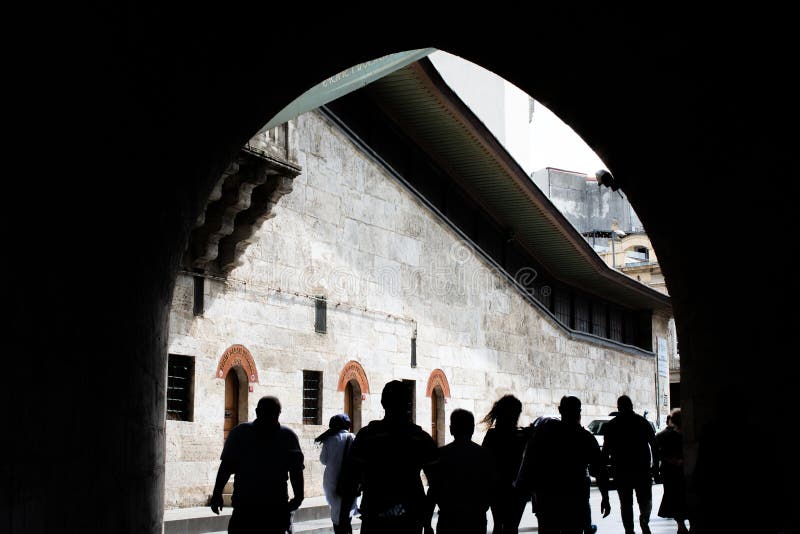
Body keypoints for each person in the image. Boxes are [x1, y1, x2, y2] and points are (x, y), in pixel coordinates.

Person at [337, 380, 438, 534]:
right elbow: (436, 483)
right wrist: (427, 518)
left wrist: (344, 518)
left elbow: (351, 480)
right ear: (408, 404)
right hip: (409, 515)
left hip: (375, 513)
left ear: (383, 403)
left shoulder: (367, 436)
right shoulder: (420, 438)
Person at [515, 396, 611, 534]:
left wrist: (526, 488)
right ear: (579, 411)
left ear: (560, 410)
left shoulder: (544, 433)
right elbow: (600, 470)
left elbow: (531, 462)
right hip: (575, 500)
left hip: (548, 500)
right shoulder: (585, 438)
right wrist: (605, 498)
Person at [209, 396, 305, 534]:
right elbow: (296, 471)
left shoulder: (240, 433)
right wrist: (298, 497)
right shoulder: (287, 436)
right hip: (263, 507)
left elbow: (226, 467)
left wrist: (217, 494)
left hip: (255, 506)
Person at [426, 408, 498, 534]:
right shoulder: (485, 455)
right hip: (476, 520)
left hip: (448, 520)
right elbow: (492, 490)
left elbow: (433, 490)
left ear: (451, 429)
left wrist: (427, 524)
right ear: (472, 429)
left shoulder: (440, 455)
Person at [601, 395, 659, 534]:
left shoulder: (612, 426)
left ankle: (629, 531)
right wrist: (655, 465)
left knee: (626, 504)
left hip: (621, 470)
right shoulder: (642, 422)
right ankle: (644, 519)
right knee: (645, 500)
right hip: (642, 469)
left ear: (618, 408)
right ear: (631, 406)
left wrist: (605, 468)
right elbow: (654, 445)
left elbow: (605, 451)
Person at [480, 394, 529, 534]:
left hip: (496, 486)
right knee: (511, 526)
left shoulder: (492, 435)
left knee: (499, 523)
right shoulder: (521, 436)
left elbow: (485, 460)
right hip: (515, 487)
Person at [316, 413, 359, 534]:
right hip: (350, 483)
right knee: (346, 515)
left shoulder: (329, 439)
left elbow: (323, 460)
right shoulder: (353, 438)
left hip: (332, 483)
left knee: (336, 516)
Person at [655, 408, 689, 534]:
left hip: (670, 473)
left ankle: (681, 525)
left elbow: (657, 451)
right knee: (685, 497)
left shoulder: (664, 435)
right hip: (682, 472)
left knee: (675, 498)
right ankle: (682, 526)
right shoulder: (689, 434)